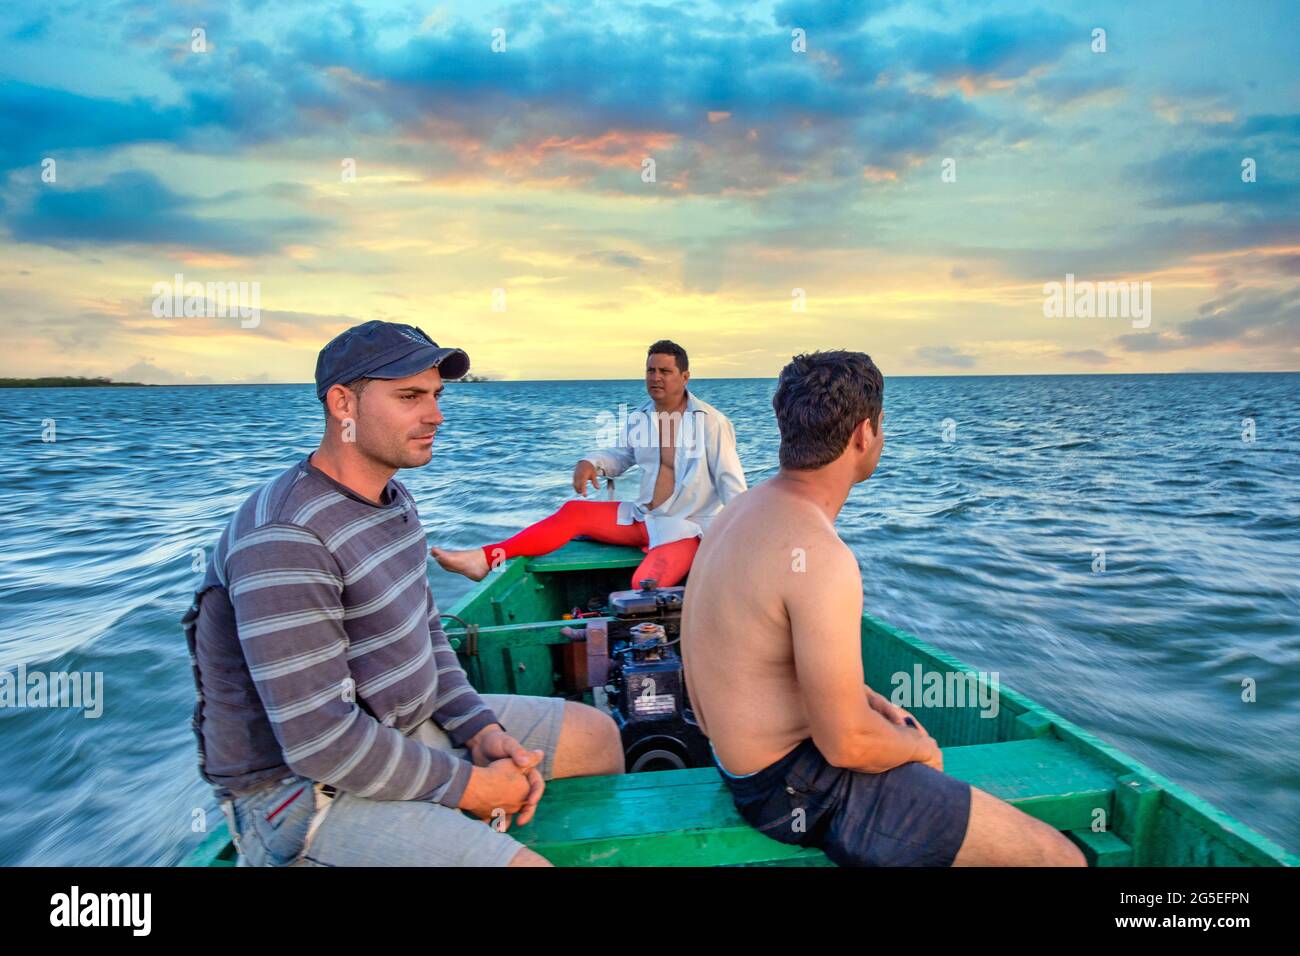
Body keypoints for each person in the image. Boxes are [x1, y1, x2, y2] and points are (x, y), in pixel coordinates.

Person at [182, 320, 624, 867]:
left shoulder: (391, 499)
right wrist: (472, 788)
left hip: (408, 730)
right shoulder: (285, 538)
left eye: (436, 395)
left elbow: (427, 636)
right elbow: (320, 742)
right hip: (307, 796)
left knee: (597, 737)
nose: (436, 414)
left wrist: (480, 731)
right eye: (410, 397)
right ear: (343, 403)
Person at [681, 350, 1086, 867]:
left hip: (736, 764)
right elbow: (846, 745)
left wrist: (864, 699)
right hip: (791, 791)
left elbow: (753, 659)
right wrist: (918, 749)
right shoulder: (821, 557)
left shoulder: (737, 513)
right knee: (1057, 858)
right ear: (864, 434)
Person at [432, 340, 746, 590]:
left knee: (644, 585)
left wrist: (741, 540)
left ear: (685, 376)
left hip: (685, 528)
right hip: (644, 519)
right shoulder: (641, 417)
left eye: (665, 371)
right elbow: (621, 456)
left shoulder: (712, 423)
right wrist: (590, 462)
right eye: (650, 370)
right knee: (573, 513)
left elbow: (731, 485)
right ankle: (483, 559)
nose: (656, 377)